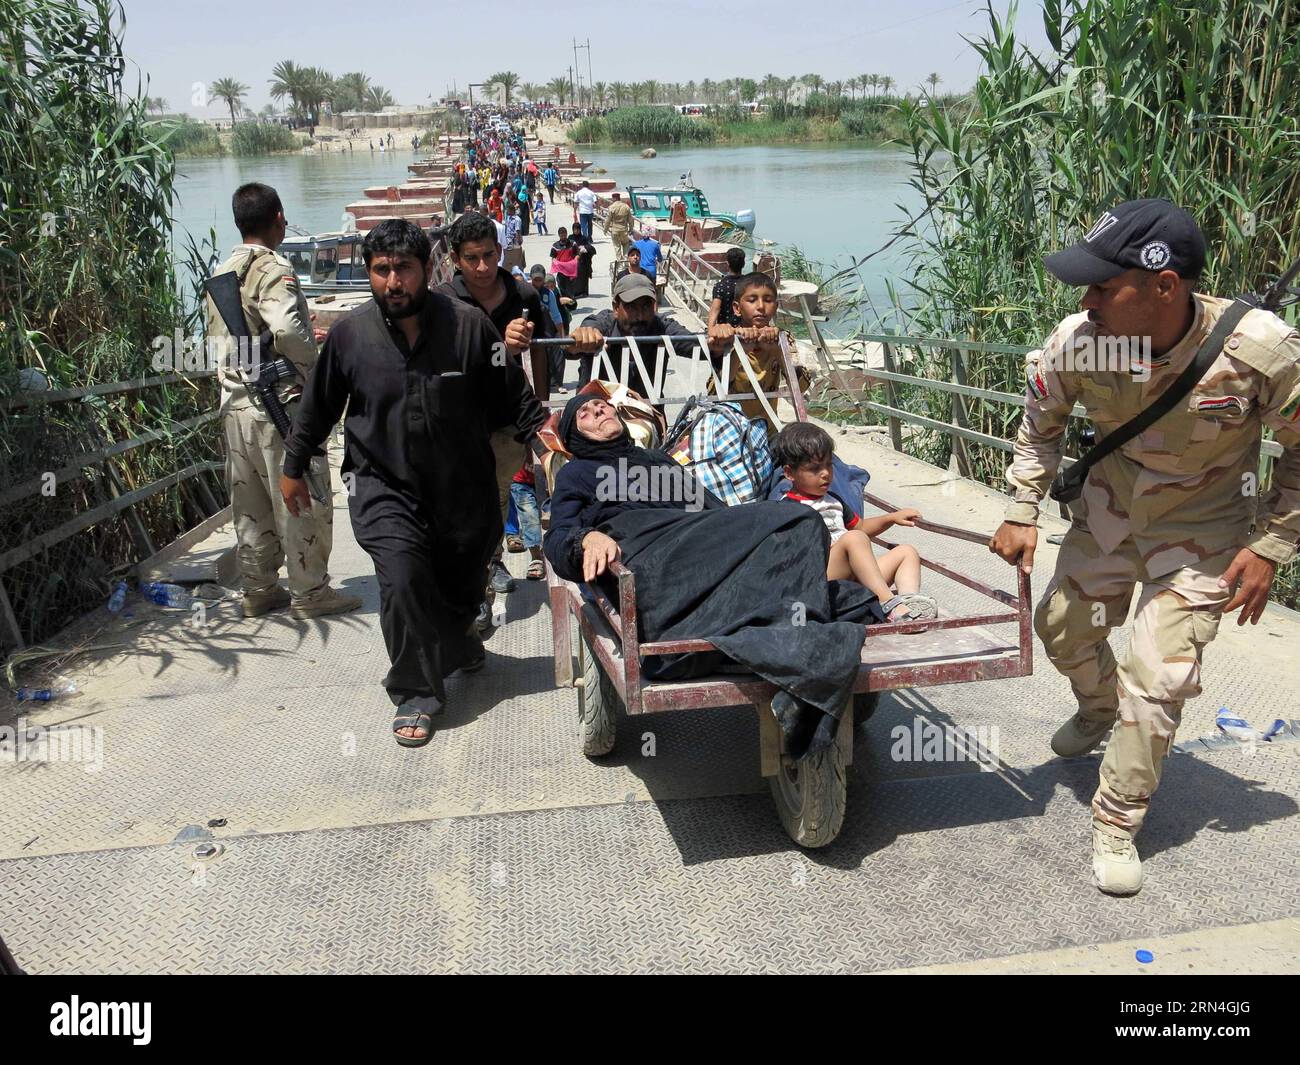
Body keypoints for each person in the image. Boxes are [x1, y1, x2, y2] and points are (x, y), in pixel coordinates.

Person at [987, 198, 1300, 895]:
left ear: (1165, 287)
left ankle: (1117, 817)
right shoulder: (1084, 340)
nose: (1086, 298)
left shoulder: (1260, 351)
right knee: (1062, 630)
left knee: (1157, 675)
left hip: (1205, 533)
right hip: (1110, 514)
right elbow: (1041, 424)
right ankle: (1099, 706)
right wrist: (1022, 507)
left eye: (1104, 284)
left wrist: (1274, 542)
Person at [280, 219, 546, 747]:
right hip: (382, 484)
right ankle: (416, 692)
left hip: (462, 487)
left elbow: (514, 397)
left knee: (462, 578)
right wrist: (292, 467)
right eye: (382, 270)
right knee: (401, 581)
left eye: (404, 268)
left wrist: (549, 447)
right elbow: (318, 407)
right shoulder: (350, 336)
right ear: (370, 274)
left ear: (427, 270)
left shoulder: (469, 327)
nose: (393, 282)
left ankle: (461, 638)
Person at [544, 394, 885, 758]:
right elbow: (557, 538)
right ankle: (798, 639)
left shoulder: (658, 461)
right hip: (652, 557)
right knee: (797, 535)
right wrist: (586, 537)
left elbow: (714, 511)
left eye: (602, 405)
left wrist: (759, 527)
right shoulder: (576, 474)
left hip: (699, 543)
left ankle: (794, 628)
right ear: (574, 435)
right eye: (585, 413)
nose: (598, 411)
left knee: (800, 520)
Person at [205, 182, 360, 621]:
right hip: (279, 403)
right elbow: (290, 333)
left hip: (234, 402)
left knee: (249, 501)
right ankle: (310, 592)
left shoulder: (223, 270)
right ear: (278, 220)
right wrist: (314, 364)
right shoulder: (273, 268)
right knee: (300, 495)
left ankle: (259, 589)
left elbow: (221, 343)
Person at [438, 211, 553, 615]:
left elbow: (540, 349)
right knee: (466, 502)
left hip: (508, 417)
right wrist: (497, 345)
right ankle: (477, 577)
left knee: (498, 496)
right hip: (459, 421)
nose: (483, 267)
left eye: (489, 255)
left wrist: (541, 404)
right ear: (455, 258)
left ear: (501, 250)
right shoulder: (443, 301)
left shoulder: (524, 296)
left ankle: (490, 562)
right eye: (472, 258)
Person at [773, 423, 933, 622]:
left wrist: (891, 518)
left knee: (907, 552)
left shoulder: (833, 500)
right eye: (814, 469)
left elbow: (861, 527)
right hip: (826, 578)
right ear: (789, 473)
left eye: (829, 465)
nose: (825, 473)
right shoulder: (786, 509)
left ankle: (908, 601)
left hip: (859, 576)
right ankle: (887, 603)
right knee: (854, 538)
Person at [568, 272, 728, 395]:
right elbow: (570, 347)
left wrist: (719, 336)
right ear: (616, 308)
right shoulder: (602, 323)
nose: (639, 316)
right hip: (596, 415)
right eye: (631, 307)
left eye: (646, 307)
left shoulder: (662, 326)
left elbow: (698, 345)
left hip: (646, 414)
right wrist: (581, 338)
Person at [707, 272, 811, 435]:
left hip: (768, 431)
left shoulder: (782, 337)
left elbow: (801, 387)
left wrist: (777, 352)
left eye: (768, 300)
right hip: (730, 430)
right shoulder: (728, 337)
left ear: (776, 307)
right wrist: (741, 349)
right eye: (752, 300)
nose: (761, 306)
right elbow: (714, 393)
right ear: (737, 308)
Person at [531, 263, 567, 393]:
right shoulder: (526, 291)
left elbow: (556, 315)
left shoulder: (549, 294)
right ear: (531, 278)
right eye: (535, 279)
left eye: (540, 279)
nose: (538, 282)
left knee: (558, 355)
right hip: (531, 332)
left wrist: (562, 336)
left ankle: (556, 384)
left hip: (547, 330)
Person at [708, 247, 746, 328]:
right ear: (743, 264)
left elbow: (715, 309)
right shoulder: (749, 284)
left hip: (725, 331)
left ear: (728, 264)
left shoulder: (720, 286)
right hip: (746, 330)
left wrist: (710, 329)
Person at [605, 191, 633, 259]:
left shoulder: (611, 207)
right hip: (624, 230)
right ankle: (626, 261)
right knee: (626, 245)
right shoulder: (626, 207)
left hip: (615, 230)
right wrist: (631, 229)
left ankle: (620, 263)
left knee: (617, 247)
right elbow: (630, 220)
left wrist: (605, 229)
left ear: (613, 198)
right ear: (619, 198)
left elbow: (607, 220)